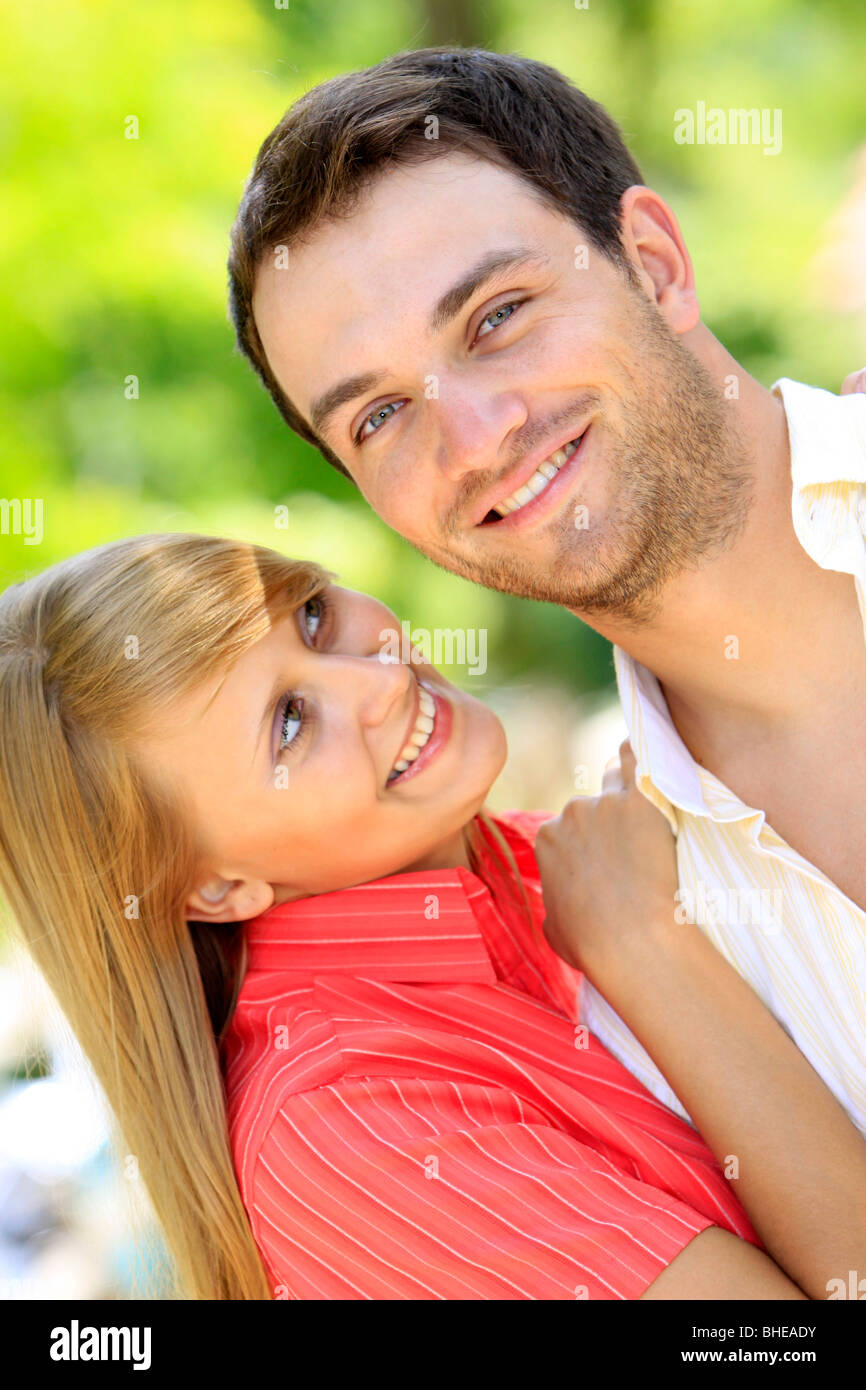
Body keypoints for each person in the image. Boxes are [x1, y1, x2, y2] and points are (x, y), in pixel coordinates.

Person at [227, 45, 866, 1134]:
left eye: (495, 315)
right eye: (378, 417)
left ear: (653, 263)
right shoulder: (625, 972)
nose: (475, 436)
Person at [1, 532, 865, 1301]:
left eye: (310, 615)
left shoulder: (568, 859)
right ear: (217, 888)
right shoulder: (340, 1129)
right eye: (291, 723)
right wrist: (649, 952)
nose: (378, 676)